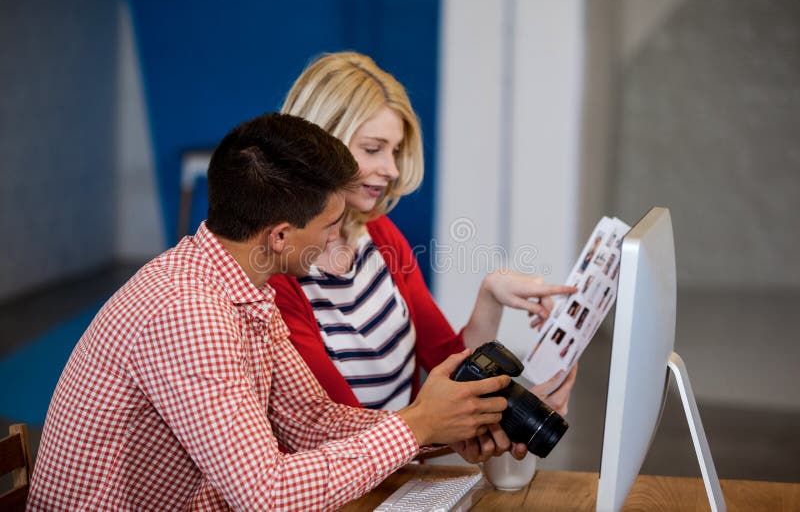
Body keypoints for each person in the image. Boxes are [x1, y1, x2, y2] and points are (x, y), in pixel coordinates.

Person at [27, 114, 513, 511]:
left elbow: (312, 421)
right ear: (279, 236)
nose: (335, 240)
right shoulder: (190, 312)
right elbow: (268, 493)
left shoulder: (241, 286)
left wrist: (441, 428)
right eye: (330, 225)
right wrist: (416, 426)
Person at [270, 52, 578, 463]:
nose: (391, 169)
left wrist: (490, 295)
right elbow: (337, 430)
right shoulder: (276, 277)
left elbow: (447, 362)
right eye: (374, 149)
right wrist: (466, 429)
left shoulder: (378, 235)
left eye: (394, 151)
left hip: (397, 473)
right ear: (318, 144)